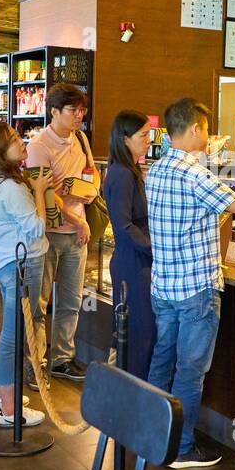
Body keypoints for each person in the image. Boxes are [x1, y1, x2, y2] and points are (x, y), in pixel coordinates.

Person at [146, 98, 235, 469]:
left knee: (162, 362)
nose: (208, 136)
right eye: (206, 129)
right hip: (196, 288)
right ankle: (180, 449)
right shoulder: (195, 174)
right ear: (195, 129)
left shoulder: (156, 169)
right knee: (190, 371)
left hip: (163, 287)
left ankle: (150, 436)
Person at [0, 121, 49, 428]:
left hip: (8, 263)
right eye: (15, 139)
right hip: (22, 264)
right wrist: (41, 192)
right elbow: (37, 228)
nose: (22, 142)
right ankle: (9, 409)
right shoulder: (13, 187)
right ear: (0, 151)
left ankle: (6, 396)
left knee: (13, 333)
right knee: (13, 336)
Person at [26, 82, 99, 382]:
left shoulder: (81, 138)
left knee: (70, 302)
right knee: (37, 303)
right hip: (48, 234)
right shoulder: (38, 146)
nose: (79, 115)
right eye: (73, 109)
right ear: (54, 111)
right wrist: (79, 220)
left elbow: (92, 173)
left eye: (82, 109)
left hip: (76, 237)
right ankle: (34, 364)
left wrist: (92, 191)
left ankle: (61, 359)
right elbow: (46, 195)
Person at [105, 111, 155, 379]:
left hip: (137, 259)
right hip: (132, 262)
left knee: (141, 335)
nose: (149, 141)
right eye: (143, 135)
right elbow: (124, 227)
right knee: (139, 337)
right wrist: (154, 248)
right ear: (125, 140)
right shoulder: (122, 174)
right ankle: (134, 406)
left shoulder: (129, 170)